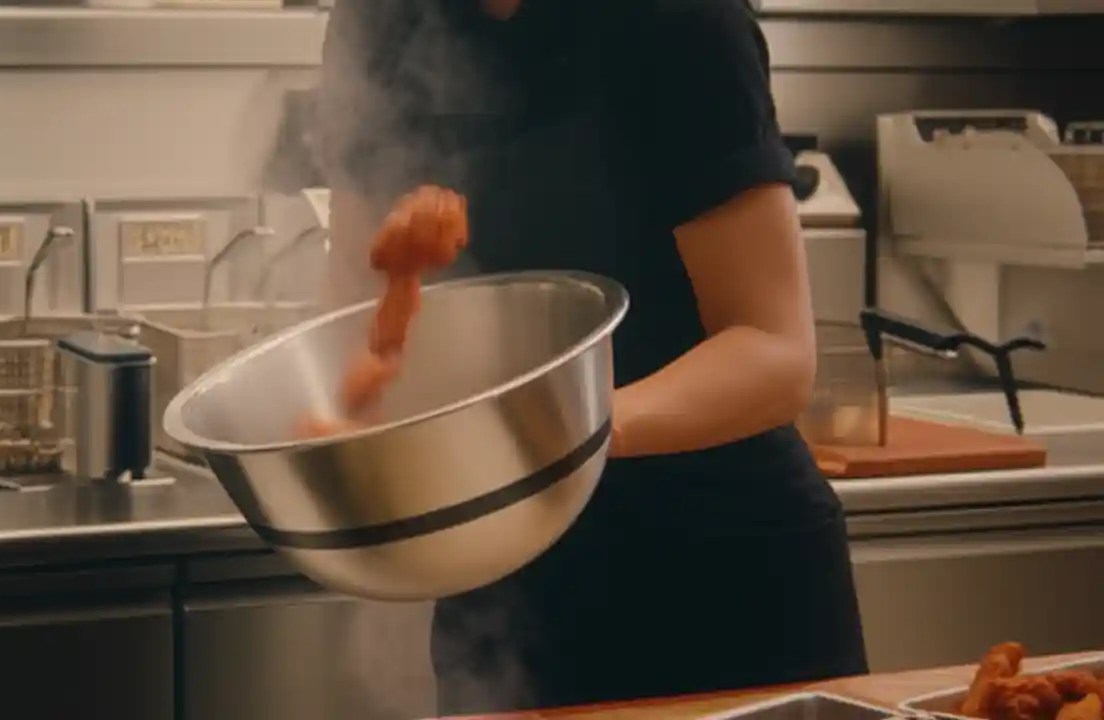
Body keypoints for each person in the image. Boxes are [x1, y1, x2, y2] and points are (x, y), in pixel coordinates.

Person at [315, 0, 869, 714]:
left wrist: (554, 430)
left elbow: (774, 352)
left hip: (719, 579)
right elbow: (360, 316)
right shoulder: (378, 20)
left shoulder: (681, 21)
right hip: (505, 578)